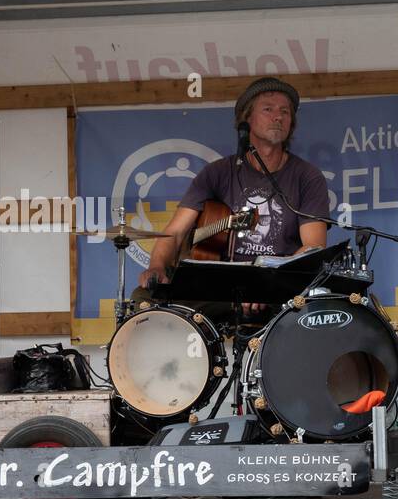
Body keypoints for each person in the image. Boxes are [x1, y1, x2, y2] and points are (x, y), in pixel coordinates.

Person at [134, 76, 329, 318]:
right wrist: (157, 266)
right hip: (221, 285)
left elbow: (314, 247)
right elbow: (175, 233)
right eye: (268, 109)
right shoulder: (217, 173)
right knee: (143, 299)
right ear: (247, 119)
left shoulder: (307, 176)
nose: (278, 116)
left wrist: (268, 284)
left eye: (285, 111)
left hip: (277, 287)